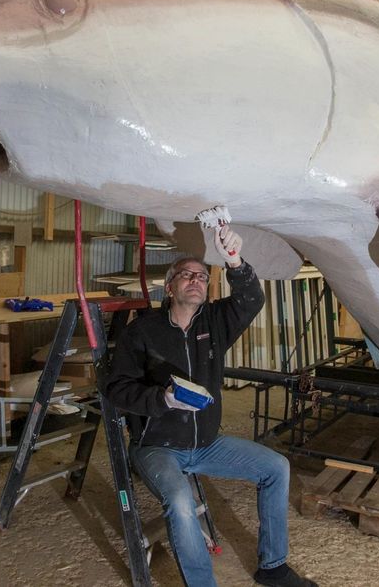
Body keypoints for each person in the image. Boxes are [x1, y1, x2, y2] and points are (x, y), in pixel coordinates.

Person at [104, 225, 316, 587]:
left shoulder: (216, 322)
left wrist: (234, 260)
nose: (195, 280)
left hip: (206, 443)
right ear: (170, 286)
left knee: (276, 468)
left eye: (202, 275)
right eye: (186, 275)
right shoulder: (141, 332)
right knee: (181, 502)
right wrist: (162, 399)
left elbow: (251, 300)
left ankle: (273, 567)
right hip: (157, 447)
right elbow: (115, 388)